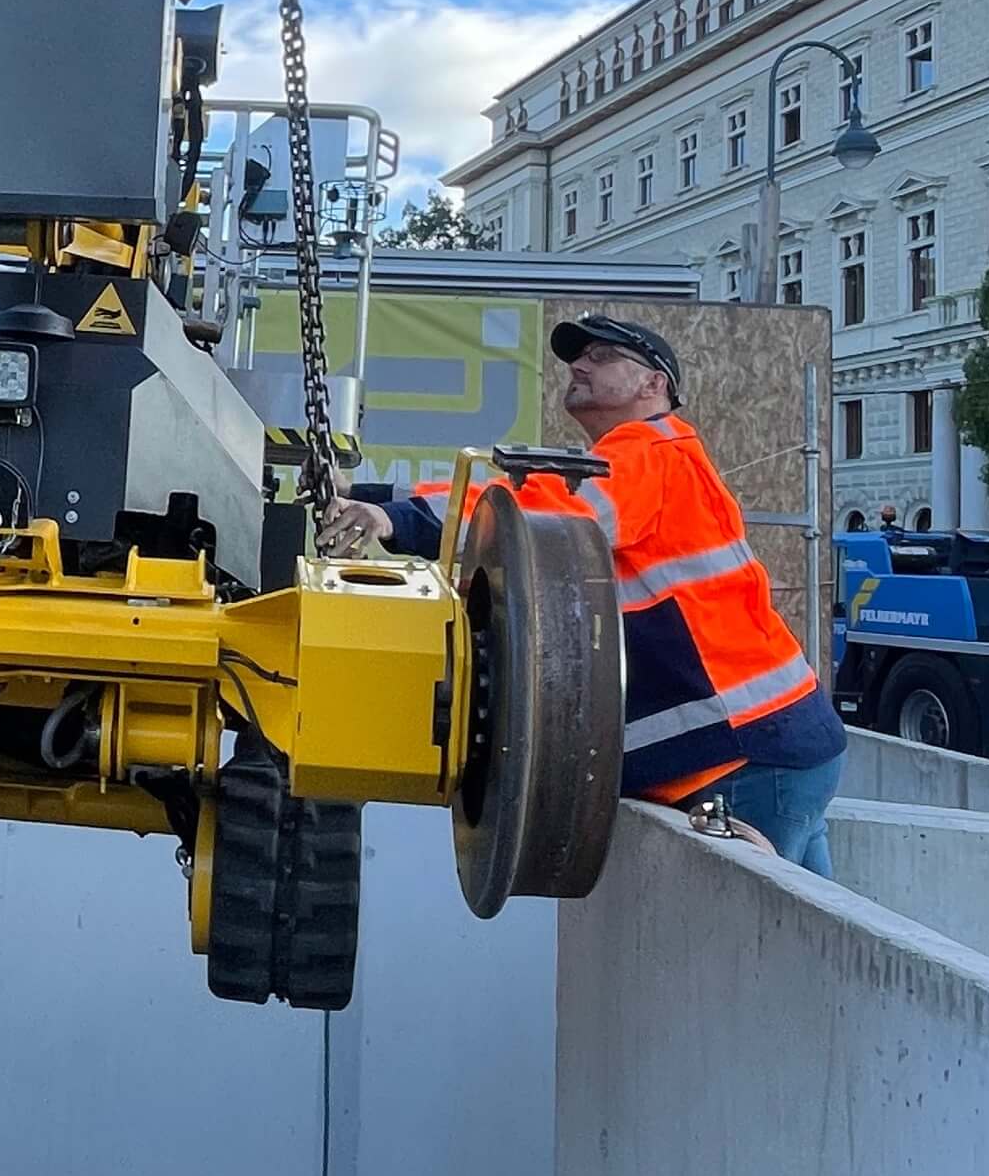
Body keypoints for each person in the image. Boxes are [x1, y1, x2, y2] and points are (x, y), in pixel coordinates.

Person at [327, 314, 847, 874]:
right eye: (580, 357)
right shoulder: (639, 458)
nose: (579, 366)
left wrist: (394, 519)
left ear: (655, 385)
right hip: (773, 744)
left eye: (603, 357)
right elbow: (523, 490)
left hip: (743, 755)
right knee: (813, 947)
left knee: (760, 950)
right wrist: (371, 497)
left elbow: (537, 515)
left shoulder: (652, 450)